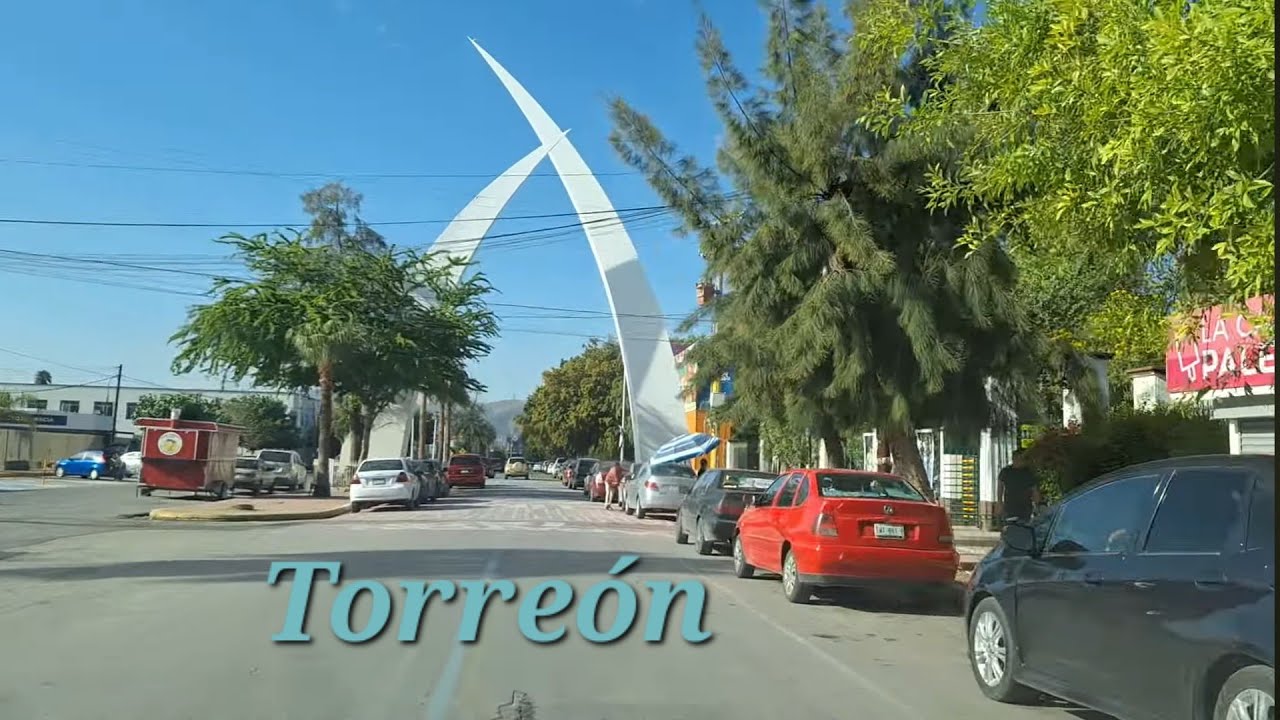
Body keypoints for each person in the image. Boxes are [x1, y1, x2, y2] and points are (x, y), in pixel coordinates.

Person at [998, 449, 1038, 523]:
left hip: (1025, 507)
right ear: (1013, 459)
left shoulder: (1028, 473)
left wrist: (1037, 504)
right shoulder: (1006, 471)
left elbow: (1034, 490)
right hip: (1010, 506)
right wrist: (1000, 503)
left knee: (1024, 525)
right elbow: (1000, 488)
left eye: (1021, 459)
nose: (1019, 461)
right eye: (1016, 458)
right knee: (1010, 525)